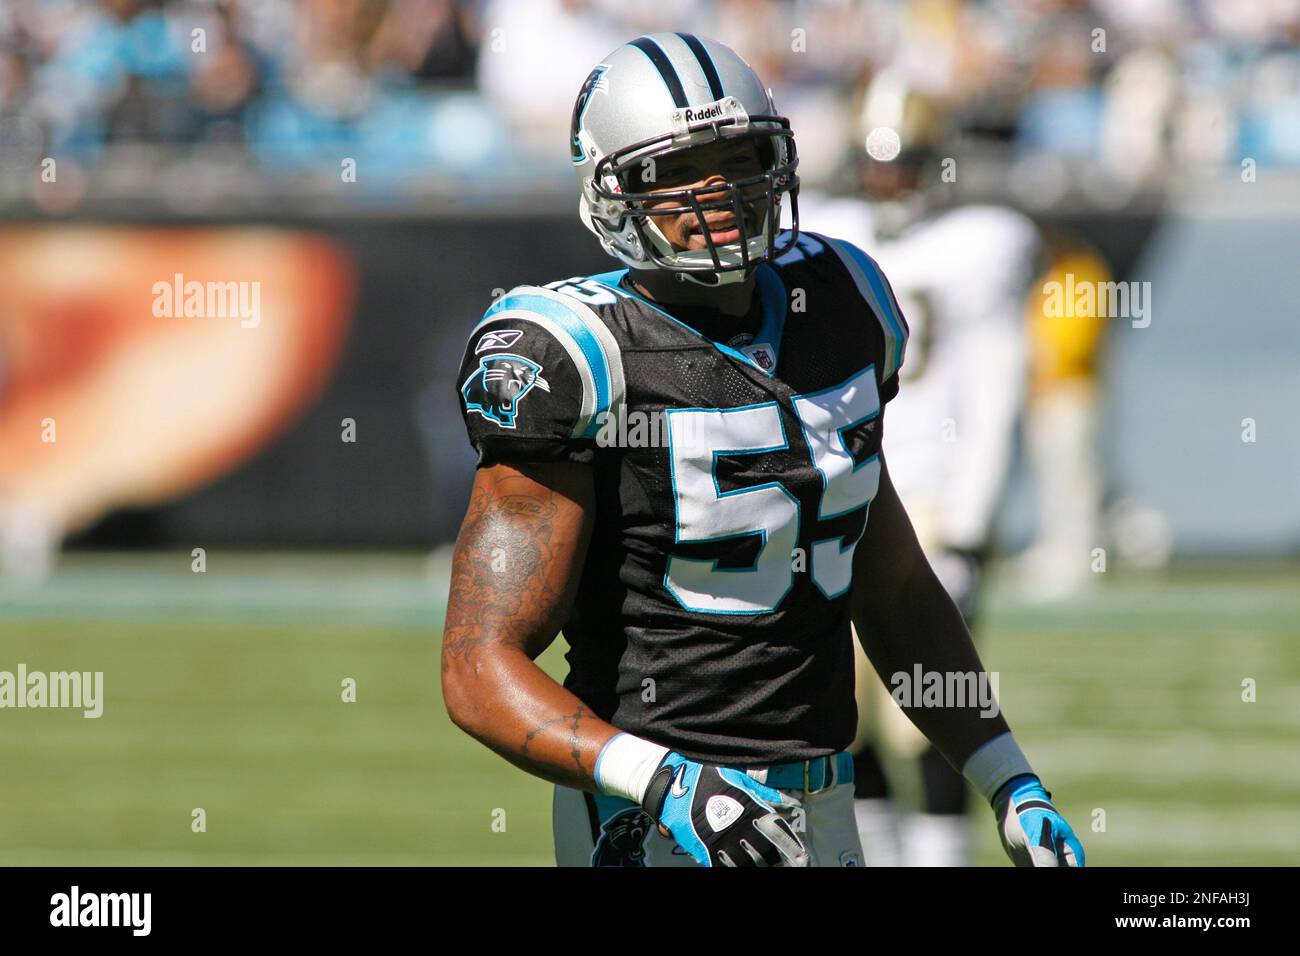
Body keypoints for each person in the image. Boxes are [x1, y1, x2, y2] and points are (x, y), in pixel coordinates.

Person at [440, 32, 1083, 868]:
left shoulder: (845, 300)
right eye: (674, 169)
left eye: (737, 155)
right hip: (655, 817)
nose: (716, 190)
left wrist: (1008, 776)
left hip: (827, 799)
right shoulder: (577, 353)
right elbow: (477, 668)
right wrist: (665, 782)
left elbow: (889, 586)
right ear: (614, 189)